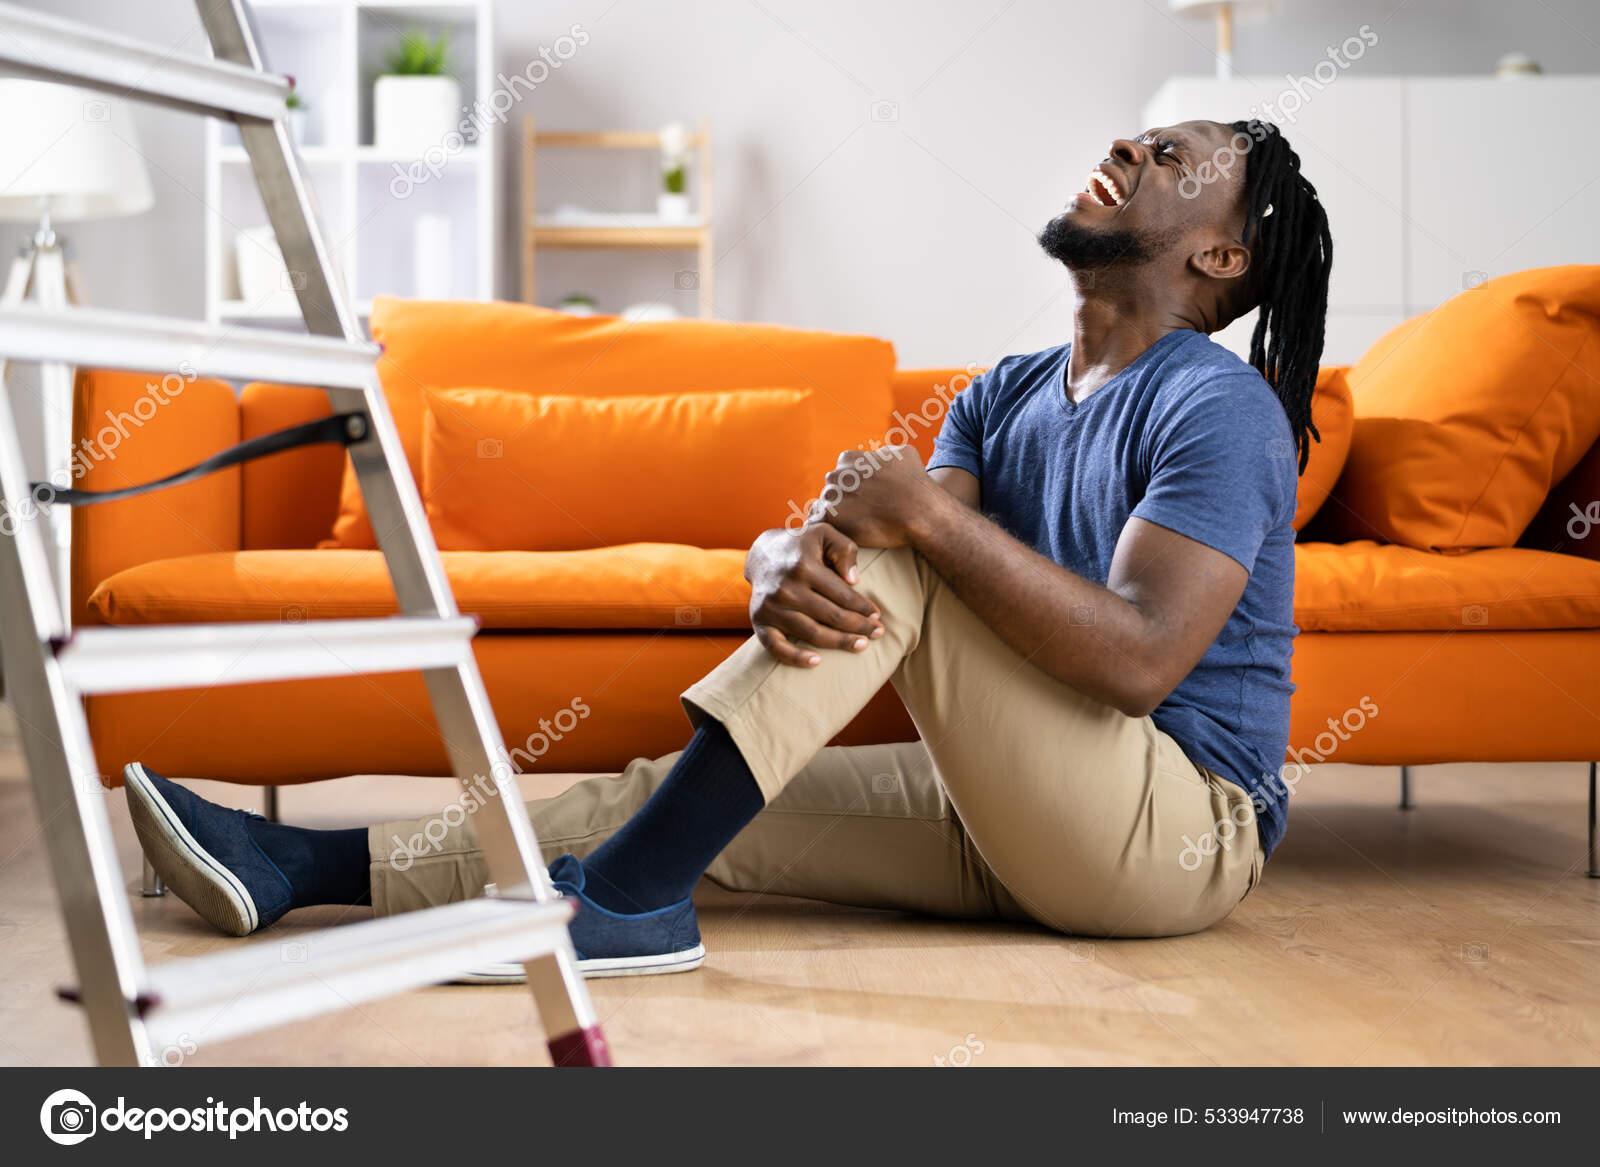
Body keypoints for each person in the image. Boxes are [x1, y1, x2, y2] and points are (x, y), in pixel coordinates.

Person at [125, 117, 1332, 979]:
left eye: (1171, 158)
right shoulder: (1007, 389)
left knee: (908, 540)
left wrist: (903, 522)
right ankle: (295, 863)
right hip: (1014, 819)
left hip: (1173, 835)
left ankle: (634, 911)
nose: (1128, 150)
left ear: (1218, 260)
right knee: (684, 800)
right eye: (1139, 138)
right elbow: (874, 540)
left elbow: (1136, 663)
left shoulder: (1211, 406)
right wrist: (777, 559)